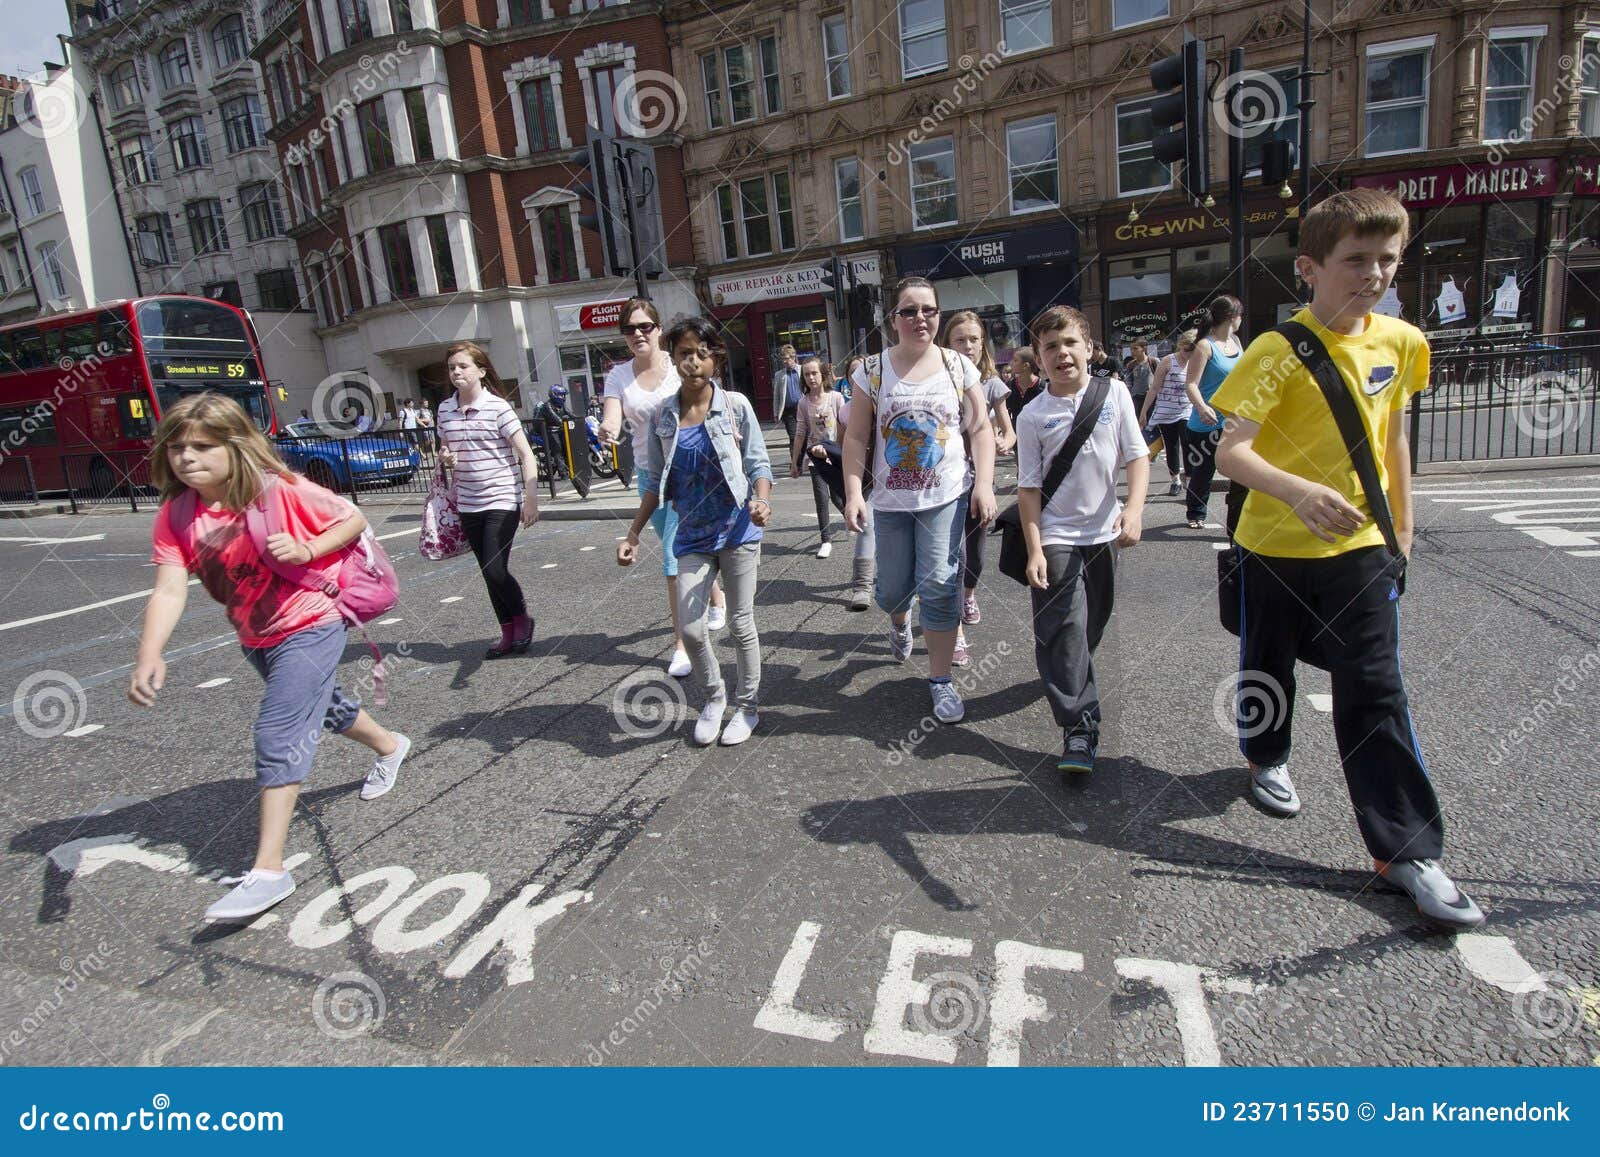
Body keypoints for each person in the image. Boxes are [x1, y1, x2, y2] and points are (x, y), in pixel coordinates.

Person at [1212, 187, 1483, 930]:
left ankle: (1406, 852)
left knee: (1376, 687)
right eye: (1355, 260)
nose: (1374, 274)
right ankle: (1266, 755)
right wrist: (1297, 490)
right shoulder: (1274, 351)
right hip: (1272, 543)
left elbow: (1393, 441)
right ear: (1309, 268)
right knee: (1267, 662)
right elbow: (1232, 453)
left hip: (1361, 547)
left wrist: (1403, 533)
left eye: (1387, 259)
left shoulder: (1403, 342)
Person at [129, 393, 411, 923]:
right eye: (177, 448)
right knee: (326, 707)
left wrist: (307, 550)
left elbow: (351, 517)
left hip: (313, 623)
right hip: (256, 635)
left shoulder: (278, 489)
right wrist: (150, 652)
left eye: (203, 446)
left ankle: (269, 870)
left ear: (235, 446)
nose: (187, 457)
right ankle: (391, 746)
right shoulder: (177, 514)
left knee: (279, 730)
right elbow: (168, 588)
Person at [843, 276, 997, 724]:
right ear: (893, 319)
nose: (920, 319)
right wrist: (853, 493)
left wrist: (984, 485)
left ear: (938, 315)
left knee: (940, 586)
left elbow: (980, 428)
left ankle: (941, 680)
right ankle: (898, 622)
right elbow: (856, 436)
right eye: (908, 311)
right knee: (892, 590)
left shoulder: (957, 366)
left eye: (928, 310)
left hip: (945, 497)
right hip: (891, 502)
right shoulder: (872, 370)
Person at [619, 317, 773, 747]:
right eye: (684, 353)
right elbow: (653, 482)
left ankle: (747, 707)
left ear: (715, 359)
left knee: (740, 624)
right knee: (690, 629)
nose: (693, 362)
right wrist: (633, 534)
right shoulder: (663, 415)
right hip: (691, 535)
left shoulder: (736, 406)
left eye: (702, 354)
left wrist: (762, 501)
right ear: (674, 358)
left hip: (738, 530)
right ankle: (714, 698)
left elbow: (759, 465)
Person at [1017, 306, 1148, 775]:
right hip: (1056, 534)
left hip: (1105, 533)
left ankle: (1069, 668)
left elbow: (1137, 457)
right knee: (1065, 629)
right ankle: (1079, 727)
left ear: (1089, 348)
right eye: (1050, 347)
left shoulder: (1114, 393)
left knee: (1091, 625)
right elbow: (1028, 489)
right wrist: (1035, 549)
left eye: (1070, 343)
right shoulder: (1032, 414)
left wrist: (1134, 510)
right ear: (1039, 357)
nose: (1062, 354)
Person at [600, 298, 726, 678]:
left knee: (673, 558)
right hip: (651, 476)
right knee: (684, 549)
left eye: (645, 327)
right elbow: (613, 414)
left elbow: (708, 396)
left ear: (658, 329)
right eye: (629, 329)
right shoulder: (618, 376)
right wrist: (608, 428)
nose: (637, 334)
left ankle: (682, 645)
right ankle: (716, 598)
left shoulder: (678, 364)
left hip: (690, 472)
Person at [435, 342, 541, 659]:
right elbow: (444, 447)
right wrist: (445, 457)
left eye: (463, 366)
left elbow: (526, 454)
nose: (456, 372)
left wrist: (531, 499)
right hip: (467, 502)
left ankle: (522, 619)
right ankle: (507, 632)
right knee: (487, 571)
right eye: (452, 367)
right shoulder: (444, 409)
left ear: (481, 371)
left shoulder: (498, 408)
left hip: (501, 498)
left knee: (495, 570)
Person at [941, 309, 1016, 666]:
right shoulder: (936, 379)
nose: (967, 346)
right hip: (945, 483)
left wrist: (1003, 440)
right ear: (947, 343)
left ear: (983, 343)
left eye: (974, 339)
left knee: (976, 556)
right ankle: (954, 630)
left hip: (978, 481)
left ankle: (968, 594)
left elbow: (1009, 430)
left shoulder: (991, 383)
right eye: (960, 340)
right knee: (952, 557)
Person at [1182, 296, 1243, 529]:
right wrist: (1201, 407)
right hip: (1207, 422)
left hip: (1234, 420)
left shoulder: (1236, 342)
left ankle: (1237, 520)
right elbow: (1191, 384)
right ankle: (1196, 513)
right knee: (1204, 471)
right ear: (1232, 317)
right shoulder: (1205, 346)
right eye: (1240, 315)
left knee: (1240, 470)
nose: (1242, 320)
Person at [790, 355, 844, 558]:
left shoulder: (836, 398)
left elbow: (845, 426)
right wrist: (794, 462)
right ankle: (826, 540)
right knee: (821, 498)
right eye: (806, 375)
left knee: (838, 496)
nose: (811, 378)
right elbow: (800, 433)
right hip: (815, 457)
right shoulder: (803, 403)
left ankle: (852, 516)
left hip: (835, 454)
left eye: (814, 373)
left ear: (822, 374)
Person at [1138, 332, 1196, 497]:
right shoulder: (1168, 361)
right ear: (1180, 346)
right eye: (1186, 350)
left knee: (1187, 443)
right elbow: (1154, 388)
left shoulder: (1195, 362)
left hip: (1186, 410)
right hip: (1166, 411)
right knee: (1172, 446)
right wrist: (1143, 412)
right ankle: (1175, 480)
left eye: (1192, 351)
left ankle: (1189, 480)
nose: (1188, 354)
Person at [1005, 348, 1045, 427]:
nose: (1011, 363)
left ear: (1025, 365)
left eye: (1015, 360)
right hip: (1016, 432)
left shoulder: (1042, 387)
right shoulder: (1009, 386)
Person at [772, 344, 802, 444]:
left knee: (804, 436)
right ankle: (794, 454)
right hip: (788, 412)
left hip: (802, 409)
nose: (784, 361)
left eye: (786, 358)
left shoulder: (802, 370)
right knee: (793, 437)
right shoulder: (779, 375)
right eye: (783, 359)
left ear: (793, 357)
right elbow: (776, 396)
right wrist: (776, 413)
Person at [1122, 339, 1158, 418]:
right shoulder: (1131, 365)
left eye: (1135, 348)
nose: (1132, 351)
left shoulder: (1153, 362)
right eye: (1131, 349)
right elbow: (1129, 382)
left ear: (1143, 348)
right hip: (1137, 398)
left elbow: (1160, 379)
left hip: (1151, 398)